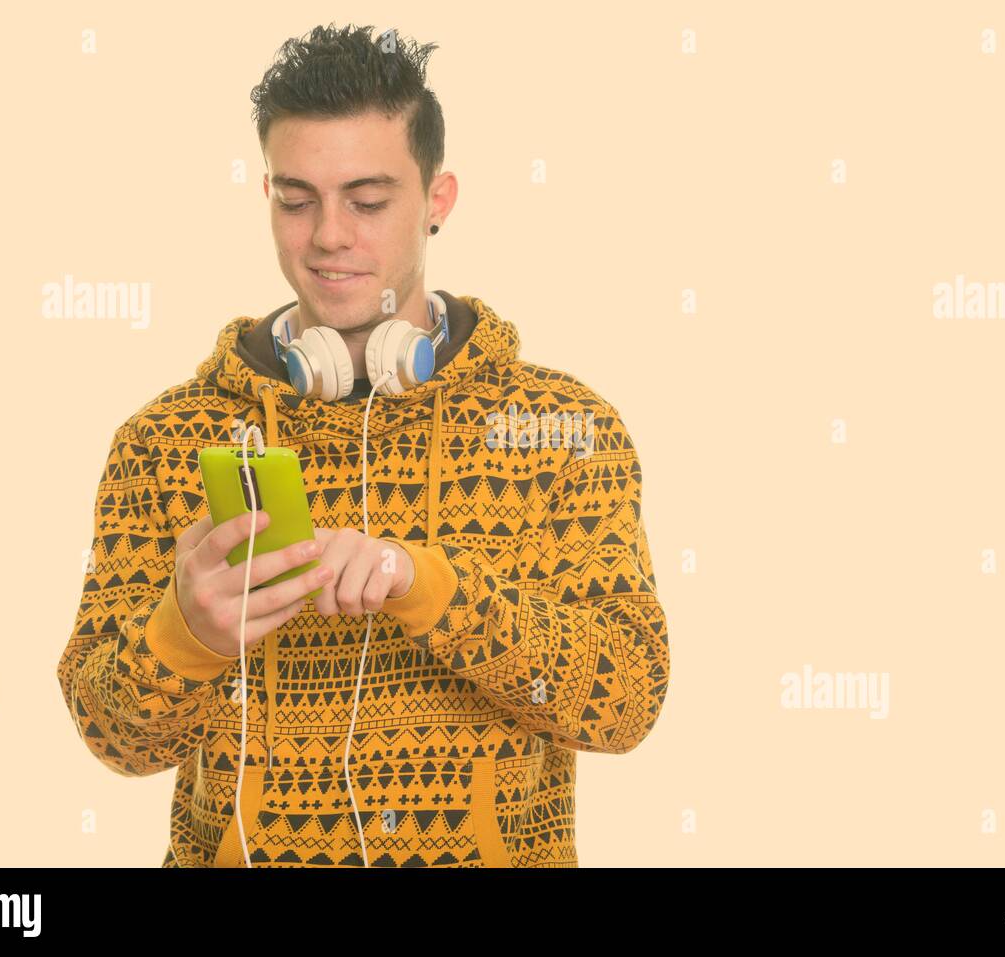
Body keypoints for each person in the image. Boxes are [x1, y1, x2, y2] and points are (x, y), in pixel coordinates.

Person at [55, 22, 669, 868]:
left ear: (439, 199)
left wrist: (432, 588)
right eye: (297, 198)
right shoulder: (166, 440)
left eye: (369, 201)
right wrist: (183, 631)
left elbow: (626, 701)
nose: (329, 236)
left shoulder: (562, 429)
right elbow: (112, 736)